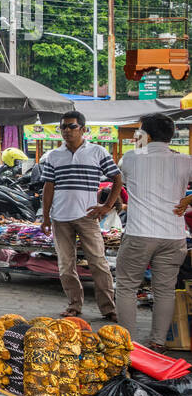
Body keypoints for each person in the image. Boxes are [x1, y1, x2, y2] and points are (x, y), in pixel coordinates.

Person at [115, 113, 192, 348]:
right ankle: (158, 342)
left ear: (144, 135)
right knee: (165, 291)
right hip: (174, 236)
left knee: (127, 286)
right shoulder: (185, 161)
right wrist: (189, 200)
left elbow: (124, 175)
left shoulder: (130, 158)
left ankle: (127, 343)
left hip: (140, 233)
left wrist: (141, 141)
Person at [39, 109, 122, 321]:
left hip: (87, 217)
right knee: (66, 265)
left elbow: (117, 178)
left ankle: (108, 308)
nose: (66, 131)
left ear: (83, 129)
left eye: (71, 126)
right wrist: (46, 217)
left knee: (98, 263)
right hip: (60, 217)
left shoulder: (98, 152)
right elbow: (49, 186)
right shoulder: (53, 156)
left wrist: (106, 206)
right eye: (63, 127)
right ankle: (74, 305)